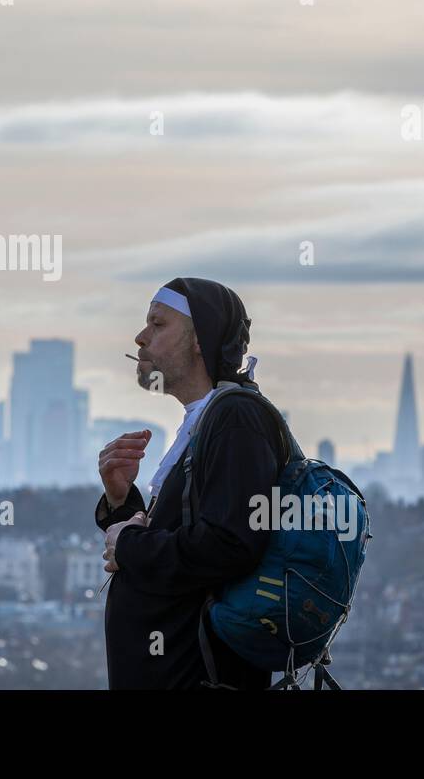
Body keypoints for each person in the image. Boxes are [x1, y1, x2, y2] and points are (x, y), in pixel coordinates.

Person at [96, 277, 284, 689]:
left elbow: (230, 544)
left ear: (201, 339)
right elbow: (171, 548)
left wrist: (126, 544)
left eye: (158, 325)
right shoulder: (206, 420)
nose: (140, 336)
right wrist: (122, 499)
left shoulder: (236, 418)